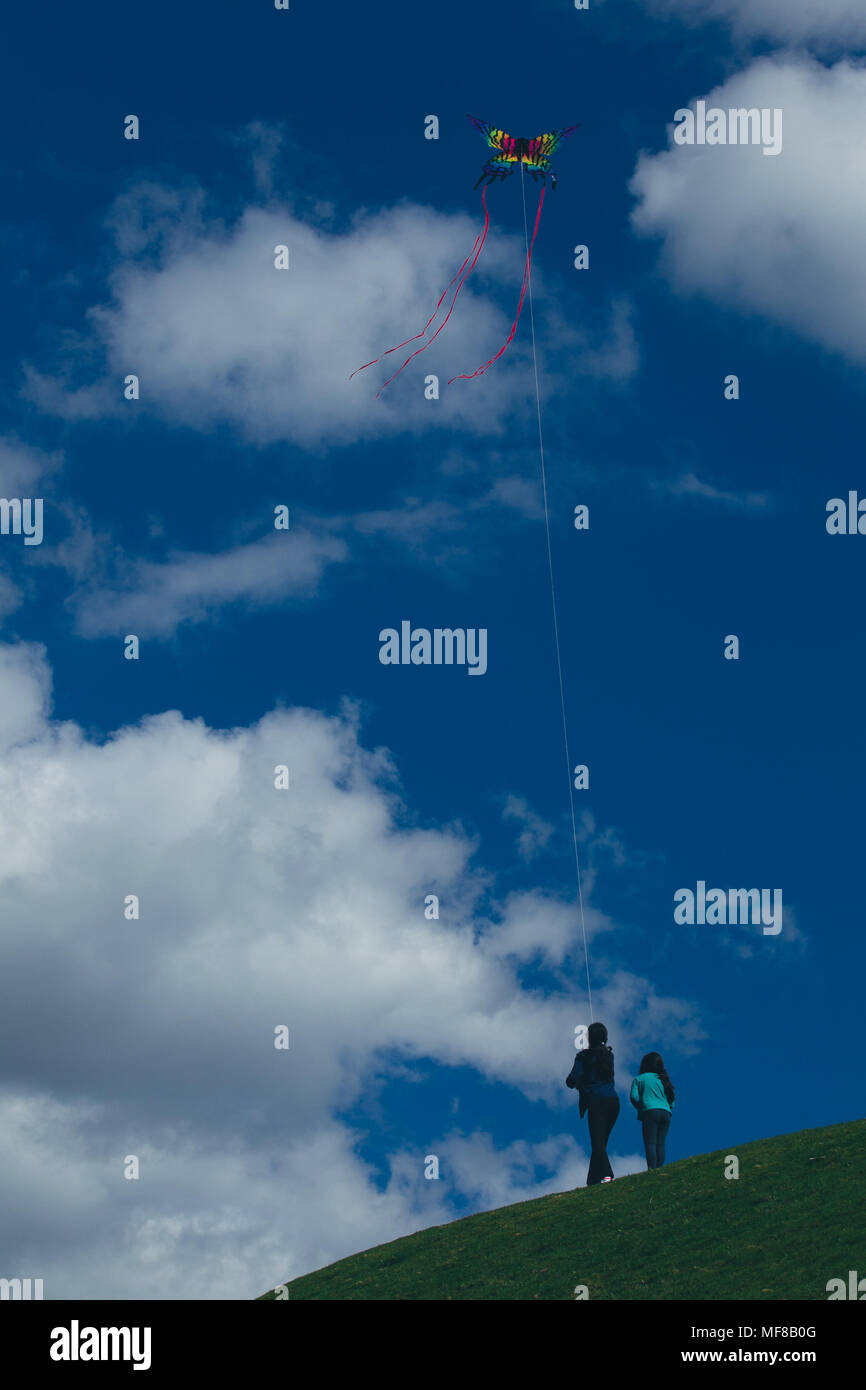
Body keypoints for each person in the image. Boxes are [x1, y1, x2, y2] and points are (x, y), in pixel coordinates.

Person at [566, 1021, 620, 1185]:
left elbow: (572, 1079)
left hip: (596, 1102)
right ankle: (592, 1180)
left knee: (598, 1143)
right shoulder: (609, 1055)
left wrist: (577, 1083)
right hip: (613, 1102)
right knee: (600, 1143)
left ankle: (607, 1175)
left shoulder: (583, 1057)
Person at [630, 1052, 675, 1170]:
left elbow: (634, 1097)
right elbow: (672, 1101)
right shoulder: (664, 1080)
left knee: (650, 1143)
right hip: (666, 1113)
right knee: (661, 1144)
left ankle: (652, 1169)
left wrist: (642, 1106)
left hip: (650, 1112)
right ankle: (660, 1168)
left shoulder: (639, 1079)